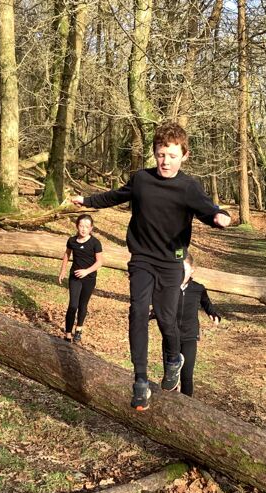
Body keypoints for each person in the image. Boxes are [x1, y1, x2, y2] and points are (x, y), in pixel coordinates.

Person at [71, 122, 231, 411]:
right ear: (154, 154)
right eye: (160, 155)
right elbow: (116, 196)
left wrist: (221, 217)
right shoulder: (142, 180)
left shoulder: (188, 187)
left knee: (167, 320)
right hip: (142, 258)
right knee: (137, 313)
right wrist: (87, 200)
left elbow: (209, 210)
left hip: (172, 262)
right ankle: (141, 380)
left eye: (171, 155)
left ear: (184, 155)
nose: (165, 161)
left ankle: (173, 360)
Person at [160, 253, 221, 397]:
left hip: (189, 336)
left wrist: (214, 314)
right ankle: (170, 403)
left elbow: (207, 304)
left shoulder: (198, 289)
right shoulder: (168, 287)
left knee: (187, 374)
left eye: (184, 269)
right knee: (170, 375)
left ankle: (187, 405)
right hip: (170, 336)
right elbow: (161, 307)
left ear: (192, 270)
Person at [58, 214, 103, 343]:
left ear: (91, 228)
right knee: (73, 305)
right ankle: (67, 333)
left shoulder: (95, 243)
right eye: (81, 226)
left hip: (89, 278)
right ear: (77, 226)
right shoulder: (71, 241)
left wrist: (86, 271)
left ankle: (78, 329)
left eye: (86, 227)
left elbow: (99, 262)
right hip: (75, 278)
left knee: (83, 305)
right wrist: (62, 271)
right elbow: (67, 255)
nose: (83, 229)